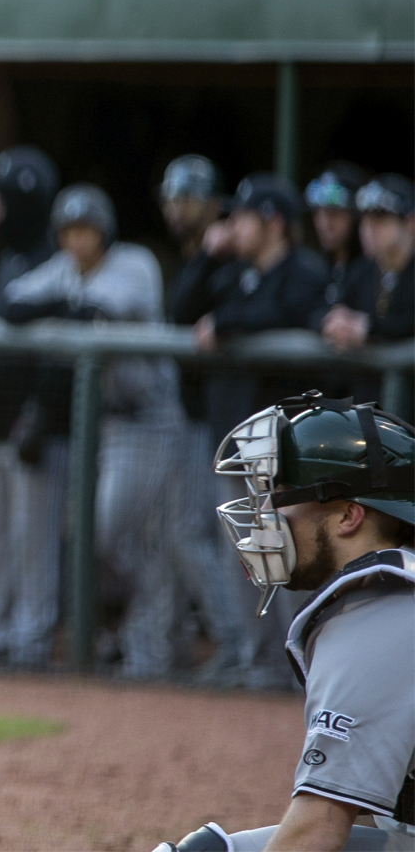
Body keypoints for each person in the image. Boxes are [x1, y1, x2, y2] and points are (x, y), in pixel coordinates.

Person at [153, 395, 414, 852]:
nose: (267, 515)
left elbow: (318, 830)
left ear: (349, 515)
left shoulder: (381, 609)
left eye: (283, 498)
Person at [3, 184, 186, 676]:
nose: (77, 241)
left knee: (112, 535)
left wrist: (58, 304)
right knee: (101, 540)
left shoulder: (136, 263)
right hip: (104, 424)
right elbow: (11, 303)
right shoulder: (64, 269)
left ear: (104, 233)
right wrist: (58, 301)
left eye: (86, 230)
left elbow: (93, 311)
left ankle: (151, 644)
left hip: (150, 419)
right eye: (68, 231)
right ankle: (131, 637)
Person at [158, 155, 258, 685]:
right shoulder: (201, 257)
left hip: (226, 421)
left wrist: (213, 254)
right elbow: (181, 310)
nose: (178, 209)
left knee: (216, 533)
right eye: (173, 199)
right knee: (188, 532)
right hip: (198, 415)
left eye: (188, 199)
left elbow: (188, 311)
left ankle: (240, 644)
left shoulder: (229, 260)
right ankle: (231, 641)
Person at [0, 146, 70, 669]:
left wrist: (42, 414)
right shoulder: (8, 258)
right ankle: (4, 629)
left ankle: (32, 638)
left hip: (36, 427)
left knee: (33, 543)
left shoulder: (57, 262)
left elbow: (61, 356)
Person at [173, 173, 330, 443]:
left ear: (274, 223)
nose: (233, 227)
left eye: (244, 217)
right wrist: (207, 257)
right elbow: (181, 311)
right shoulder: (234, 273)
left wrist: (223, 321)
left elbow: (286, 312)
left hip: (284, 438)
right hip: (230, 433)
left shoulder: (304, 271)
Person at [321, 174, 415, 351]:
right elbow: (320, 308)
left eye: (380, 217)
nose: (369, 228)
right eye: (364, 217)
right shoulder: (361, 270)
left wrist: (369, 328)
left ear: (410, 222)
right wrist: (335, 321)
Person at [306, 163, 371, 308]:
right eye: (318, 212)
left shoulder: (372, 271)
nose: (324, 224)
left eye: (334, 213)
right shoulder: (316, 269)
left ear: (356, 216)